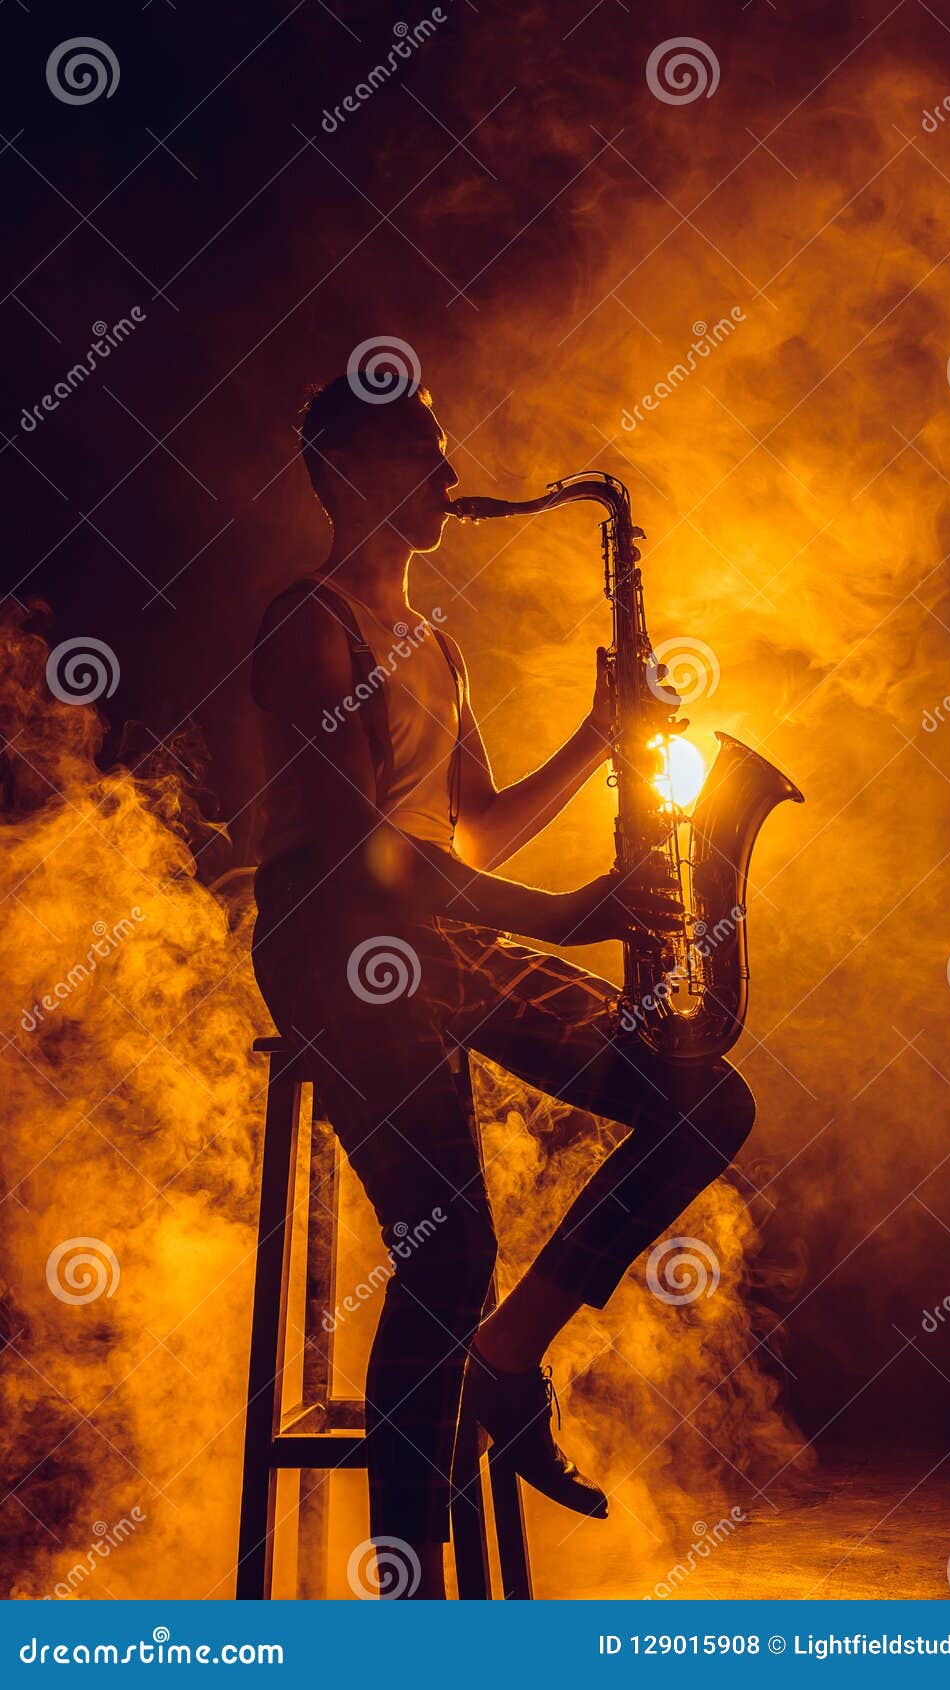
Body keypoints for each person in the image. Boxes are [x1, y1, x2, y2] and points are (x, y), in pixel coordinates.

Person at [250, 370, 755, 1598]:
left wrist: (598, 739)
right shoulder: (309, 625)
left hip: (442, 939)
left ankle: (508, 1355)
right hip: (343, 952)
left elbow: (466, 837)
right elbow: (369, 858)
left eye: (440, 443)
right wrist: (569, 917)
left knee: (707, 1100)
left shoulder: (437, 644)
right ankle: (410, 1603)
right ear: (337, 473)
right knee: (447, 1246)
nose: (446, 468)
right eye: (417, 449)